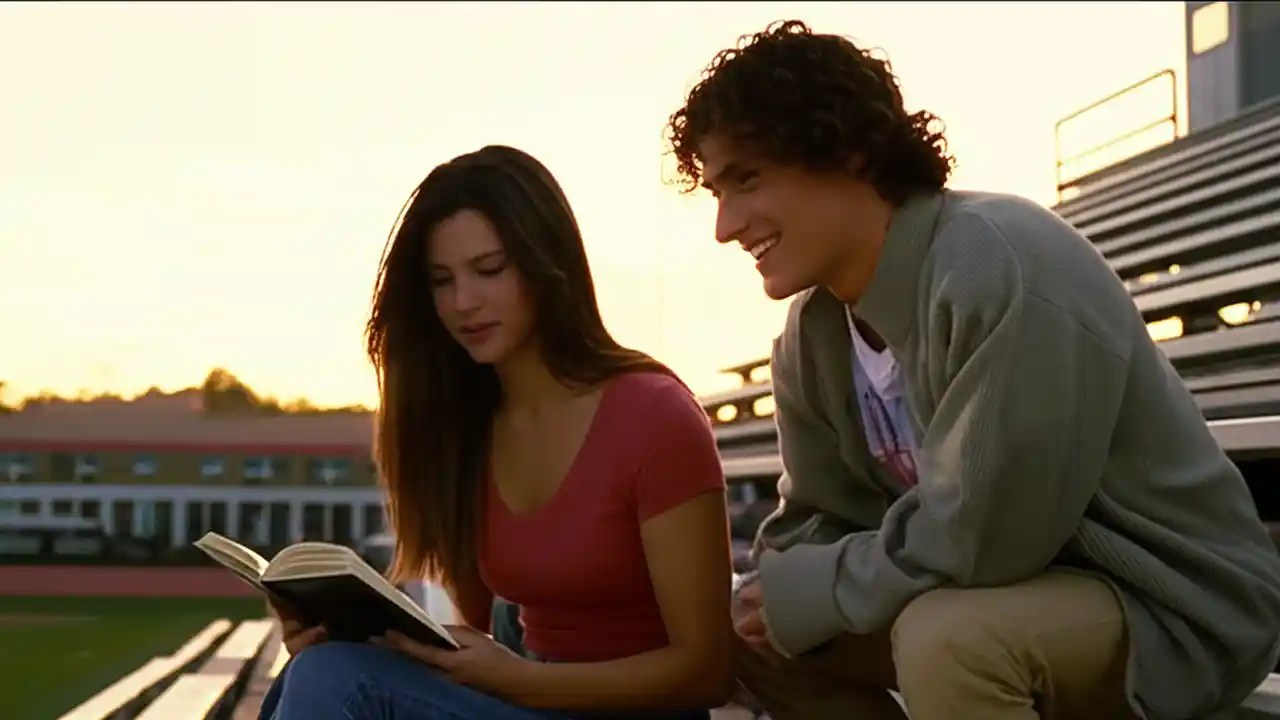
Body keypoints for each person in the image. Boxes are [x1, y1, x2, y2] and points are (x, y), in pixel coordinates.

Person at [663, 19, 1280, 720]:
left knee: (946, 639)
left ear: (850, 152)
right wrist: (771, 589)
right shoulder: (811, 335)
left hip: (1171, 602)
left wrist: (809, 587)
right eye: (715, 190)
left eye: (746, 179)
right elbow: (815, 521)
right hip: (996, 594)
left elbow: (990, 537)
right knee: (748, 629)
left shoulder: (995, 263)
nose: (725, 224)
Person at [259, 145, 734, 719]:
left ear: (546, 264)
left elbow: (708, 671)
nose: (464, 303)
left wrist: (521, 681)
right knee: (313, 669)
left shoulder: (655, 417)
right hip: (528, 704)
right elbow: (475, 642)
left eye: (490, 270)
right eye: (441, 281)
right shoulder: (466, 430)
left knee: (331, 680)